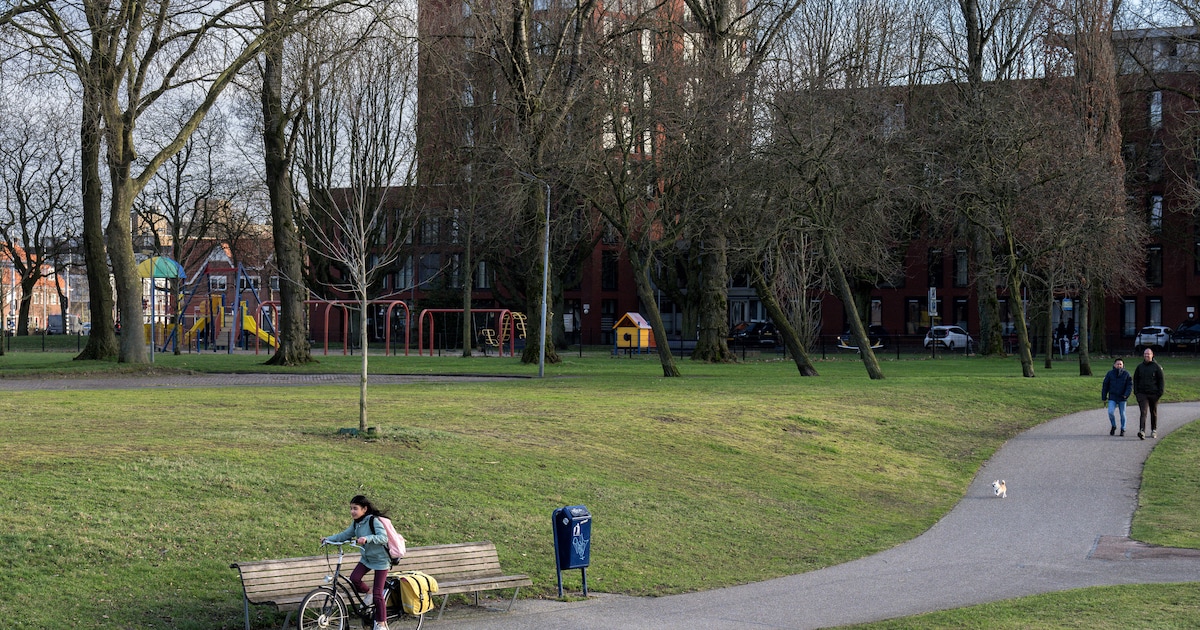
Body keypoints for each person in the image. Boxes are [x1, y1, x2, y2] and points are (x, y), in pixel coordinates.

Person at [322, 495, 393, 630]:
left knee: (379, 593)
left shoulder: (374, 521)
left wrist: (367, 538)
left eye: (355, 508)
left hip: (381, 560)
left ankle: (381, 623)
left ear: (364, 509)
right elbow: (344, 535)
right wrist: (328, 539)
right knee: (354, 578)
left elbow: (383, 537)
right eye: (351, 508)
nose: (352, 511)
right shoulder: (356, 523)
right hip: (367, 559)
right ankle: (368, 593)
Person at [1133, 348, 1165, 440]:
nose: (1147, 356)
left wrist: (1160, 392)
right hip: (1142, 394)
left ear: (1152, 355)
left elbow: (1161, 380)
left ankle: (1153, 430)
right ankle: (1142, 431)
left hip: (1154, 394)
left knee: (1153, 412)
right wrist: (1136, 392)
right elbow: (1135, 379)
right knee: (1143, 411)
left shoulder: (1156, 367)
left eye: (1148, 354)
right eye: (1145, 354)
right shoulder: (1140, 367)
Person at [1101, 358, 1133, 436]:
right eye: (1117, 364)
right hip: (1112, 397)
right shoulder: (1110, 374)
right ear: (1114, 365)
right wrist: (1104, 397)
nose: (1119, 366)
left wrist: (1126, 394)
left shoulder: (1126, 374)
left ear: (1123, 365)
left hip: (1122, 397)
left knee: (1122, 413)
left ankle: (1123, 429)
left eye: (1120, 364)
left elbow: (1129, 386)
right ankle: (1114, 425)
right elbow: (1105, 385)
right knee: (1110, 412)